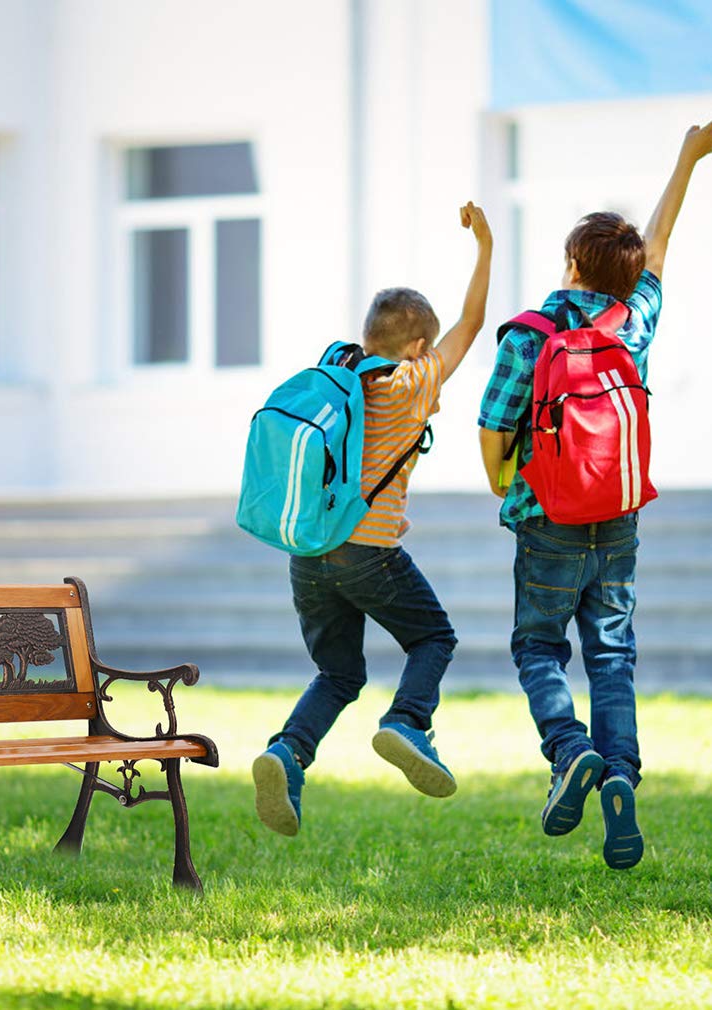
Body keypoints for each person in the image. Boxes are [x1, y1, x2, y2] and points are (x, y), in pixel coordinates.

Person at [477, 121, 712, 869]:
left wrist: (505, 487)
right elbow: (663, 238)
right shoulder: (632, 320)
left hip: (545, 518)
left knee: (537, 647)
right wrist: (690, 158)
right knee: (612, 655)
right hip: (617, 519)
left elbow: (492, 426)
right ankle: (619, 777)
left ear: (572, 262)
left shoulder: (530, 333)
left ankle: (570, 750)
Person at [253, 202, 493, 836]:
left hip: (308, 551)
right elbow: (472, 322)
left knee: (337, 672)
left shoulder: (338, 373)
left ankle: (287, 752)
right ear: (416, 345)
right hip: (369, 551)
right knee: (433, 638)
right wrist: (486, 246)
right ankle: (408, 722)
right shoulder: (412, 382)